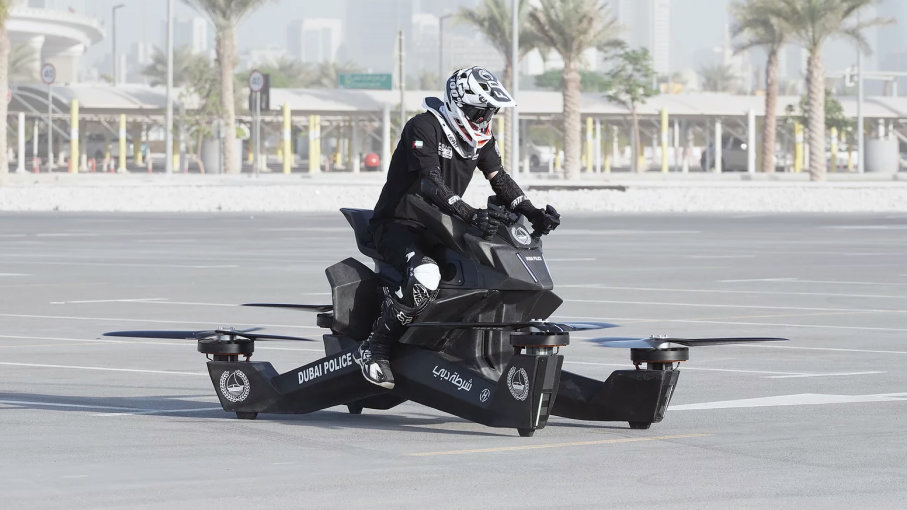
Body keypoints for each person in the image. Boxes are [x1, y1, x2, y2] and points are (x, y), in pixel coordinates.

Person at [354, 66, 561, 389]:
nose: (483, 119)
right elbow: (429, 183)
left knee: (480, 271)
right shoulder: (423, 126)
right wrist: (469, 212)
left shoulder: (480, 139)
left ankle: (470, 350)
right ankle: (375, 347)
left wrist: (533, 212)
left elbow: (499, 179)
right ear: (457, 104)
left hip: (440, 225)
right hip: (398, 223)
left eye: (488, 112)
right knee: (426, 275)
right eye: (479, 111)